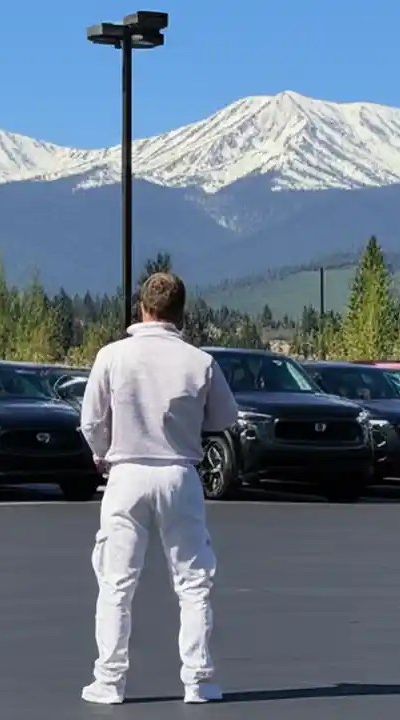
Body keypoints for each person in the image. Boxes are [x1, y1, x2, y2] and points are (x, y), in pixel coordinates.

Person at [77, 272, 239, 705]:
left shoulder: (112, 356)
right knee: (193, 582)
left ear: (142, 308)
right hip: (179, 474)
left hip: (126, 472)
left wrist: (101, 452)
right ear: (181, 312)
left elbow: (91, 421)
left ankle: (109, 681)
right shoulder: (200, 361)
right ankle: (199, 681)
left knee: (116, 583)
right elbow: (224, 418)